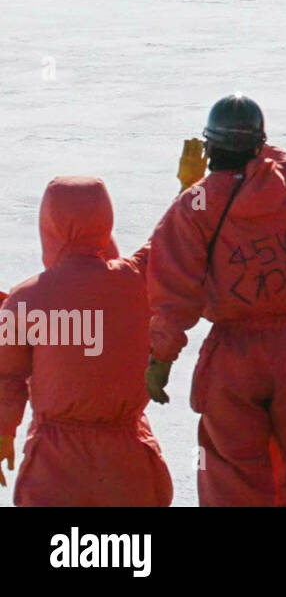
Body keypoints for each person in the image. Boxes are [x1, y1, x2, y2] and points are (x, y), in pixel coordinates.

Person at [145, 54, 286, 507]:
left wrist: (160, 359)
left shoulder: (195, 206)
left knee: (231, 472)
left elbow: (174, 290)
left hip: (233, 357)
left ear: (209, 148)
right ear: (260, 144)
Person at [0, 175, 179, 506]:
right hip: (127, 462)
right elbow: (168, 241)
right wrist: (190, 189)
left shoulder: (24, 300)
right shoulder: (138, 280)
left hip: (53, 466)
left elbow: (7, 377)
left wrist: (4, 430)